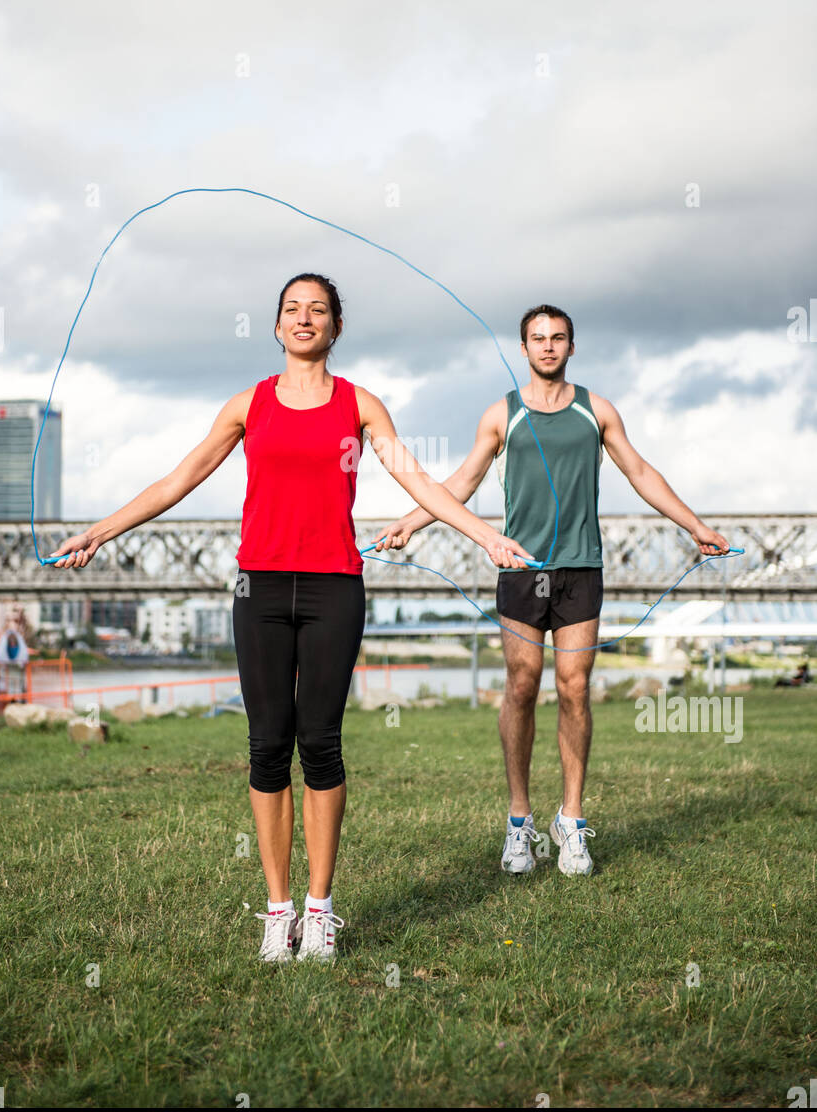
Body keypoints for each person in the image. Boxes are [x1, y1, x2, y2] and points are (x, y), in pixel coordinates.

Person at [48, 275, 533, 961]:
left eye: (318, 311)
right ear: (277, 326)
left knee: (322, 744)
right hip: (261, 591)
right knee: (268, 745)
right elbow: (177, 480)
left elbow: (417, 480)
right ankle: (278, 912)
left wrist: (484, 537)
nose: (304, 319)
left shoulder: (359, 405)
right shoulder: (247, 405)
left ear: (336, 327)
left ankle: (320, 908)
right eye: (291, 310)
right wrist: (100, 531)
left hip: (335, 587)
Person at [373, 304, 731, 879]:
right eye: (537, 339)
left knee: (574, 687)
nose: (547, 346)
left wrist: (695, 525)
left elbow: (639, 471)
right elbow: (461, 482)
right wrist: (410, 522)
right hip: (519, 567)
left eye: (557, 337)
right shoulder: (502, 415)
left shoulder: (597, 410)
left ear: (571, 346)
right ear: (523, 349)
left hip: (581, 569)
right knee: (521, 683)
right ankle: (519, 821)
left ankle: (571, 821)